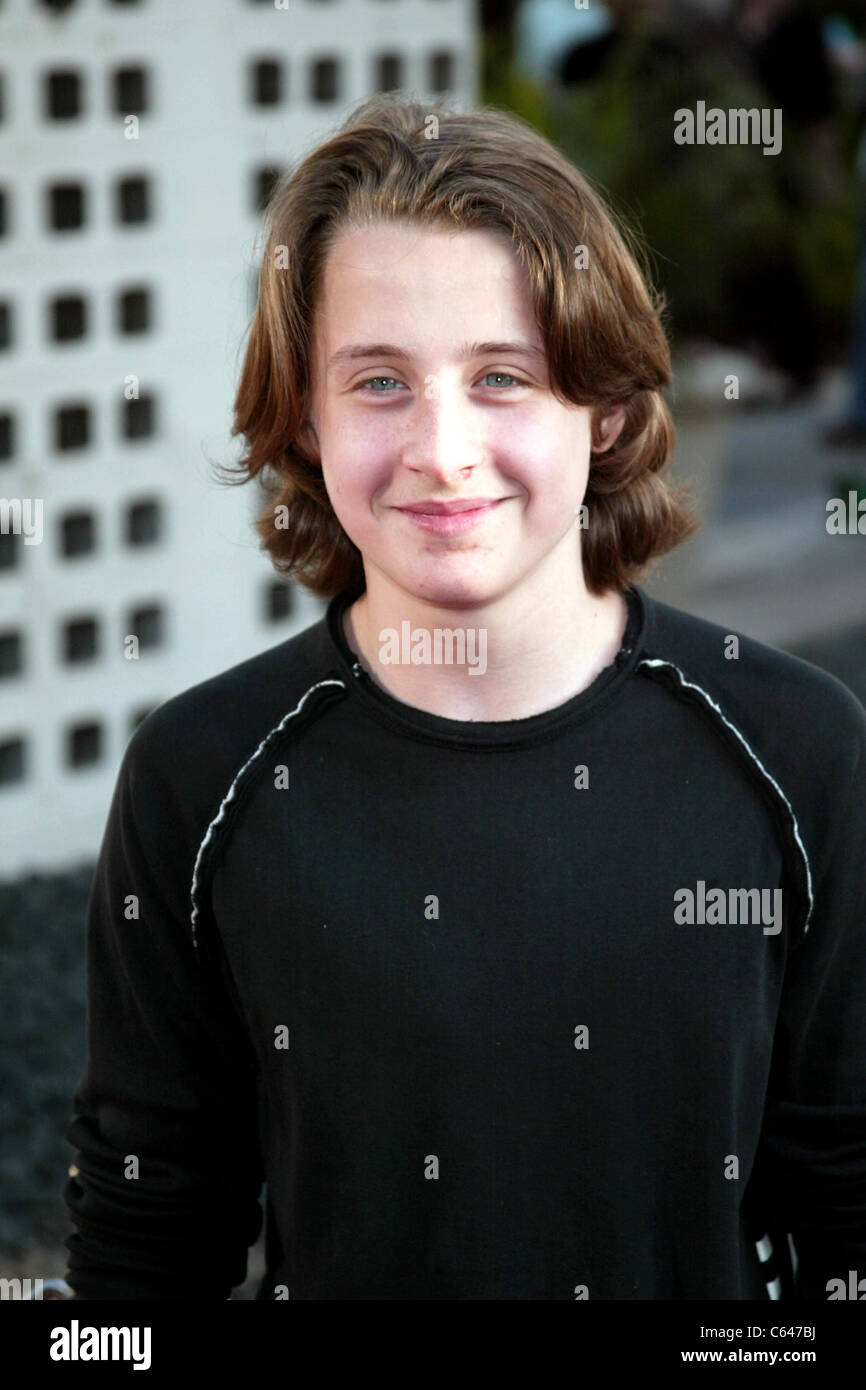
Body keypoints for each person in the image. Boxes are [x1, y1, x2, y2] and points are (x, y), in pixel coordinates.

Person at [61, 93, 866, 1301]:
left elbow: (847, 1211)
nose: (441, 448)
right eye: (378, 381)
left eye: (501, 376)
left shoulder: (799, 752)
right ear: (303, 414)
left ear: (598, 407)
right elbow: (142, 1244)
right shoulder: (201, 774)